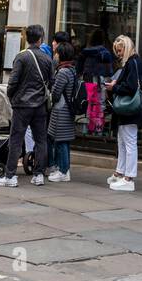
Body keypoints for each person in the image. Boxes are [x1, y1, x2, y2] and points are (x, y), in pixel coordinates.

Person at [0, 24, 52, 188]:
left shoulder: (21, 57)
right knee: (41, 140)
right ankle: (38, 174)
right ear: (40, 38)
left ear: (27, 38)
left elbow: (13, 82)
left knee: (15, 140)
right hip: (40, 105)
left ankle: (10, 175)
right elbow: (52, 82)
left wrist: (11, 95)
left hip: (22, 104)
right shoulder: (47, 59)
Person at [108, 34, 142, 191]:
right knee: (124, 141)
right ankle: (121, 173)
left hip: (129, 110)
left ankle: (128, 177)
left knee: (128, 142)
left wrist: (114, 87)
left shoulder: (132, 62)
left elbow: (130, 87)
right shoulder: (134, 62)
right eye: (117, 50)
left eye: (120, 50)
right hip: (129, 110)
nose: (119, 53)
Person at [47, 41, 79, 182]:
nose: (55, 55)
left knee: (60, 142)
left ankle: (63, 171)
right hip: (67, 110)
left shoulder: (63, 72)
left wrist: (51, 96)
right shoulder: (72, 70)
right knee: (63, 141)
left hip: (61, 111)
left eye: (57, 53)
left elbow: (56, 93)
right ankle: (64, 169)